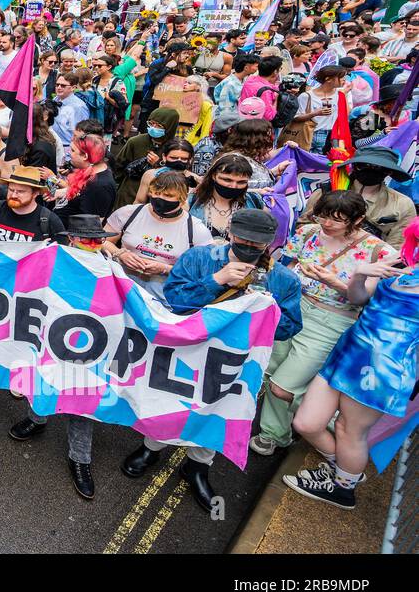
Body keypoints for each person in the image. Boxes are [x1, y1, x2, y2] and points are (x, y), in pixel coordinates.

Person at [122, 209, 302, 511]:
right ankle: (151, 447)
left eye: (257, 244)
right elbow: (175, 300)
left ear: (270, 243)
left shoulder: (282, 279)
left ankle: (197, 467)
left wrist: (265, 309)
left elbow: (290, 327)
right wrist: (215, 280)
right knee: (169, 402)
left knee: (218, 411)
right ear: (231, 232)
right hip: (187, 351)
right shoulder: (199, 259)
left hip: (234, 363)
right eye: (243, 239)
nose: (248, 246)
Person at [283, 219, 419, 510]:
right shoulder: (404, 266)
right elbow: (358, 298)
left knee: (349, 430)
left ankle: (343, 488)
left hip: (385, 368)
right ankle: (347, 471)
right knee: (306, 422)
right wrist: (359, 274)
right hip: (351, 349)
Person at [251, 190, 395, 456]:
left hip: (333, 318)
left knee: (283, 387)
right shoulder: (308, 232)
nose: (326, 224)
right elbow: (288, 265)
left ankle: (328, 420)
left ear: (358, 219)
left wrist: (334, 282)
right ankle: (274, 433)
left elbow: (363, 299)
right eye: (323, 216)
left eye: (336, 220)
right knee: (271, 372)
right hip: (293, 306)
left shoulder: (379, 252)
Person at [7, 213, 108, 499]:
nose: (91, 244)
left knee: (80, 400)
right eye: (85, 239)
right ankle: (36, 420)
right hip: (49, 339)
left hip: (87, 349)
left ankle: (80, 459)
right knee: (41, 380)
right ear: (72, 239)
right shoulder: (53, 259)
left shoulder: (111, 270)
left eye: (96, 240)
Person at [103, 170, 213, 301]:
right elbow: (102, 240)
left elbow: (205, 270)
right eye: (156, 193)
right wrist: (120, 254)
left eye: (168, 195)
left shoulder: (196, 229)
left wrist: (165, 269)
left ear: (182, 197)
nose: (160, 198)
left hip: (162, 296)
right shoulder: (129, 213)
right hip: (120, 285)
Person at [300, 146, 415, 250]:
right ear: (354, 166)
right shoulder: (326, 192)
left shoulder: (401, 204)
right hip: (318, 254)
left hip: (369, 264)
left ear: (389, 172)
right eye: (363, 165)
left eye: (380, 168)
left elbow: (397, 247)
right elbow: (303, 226)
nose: (371, 170)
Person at [0, 165, 67, 244]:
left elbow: (61, 254)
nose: (13, 195)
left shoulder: (49, 220)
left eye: (21, 192)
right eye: (11, 190)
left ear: (35, 193)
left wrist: (44, 251)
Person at [188, 153, 264, 241]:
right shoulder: (191, 201)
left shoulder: (254, 201)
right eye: (227, 180)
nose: (233, 186)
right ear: (213, 176)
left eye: (241, 182)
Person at [49, 134, 116, 221]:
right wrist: (58, 193)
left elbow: (92, 226)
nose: (69, 153)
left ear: (85, 156)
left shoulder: (100, 186)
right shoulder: (90, 169)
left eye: (73, 150)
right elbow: (81, 193)